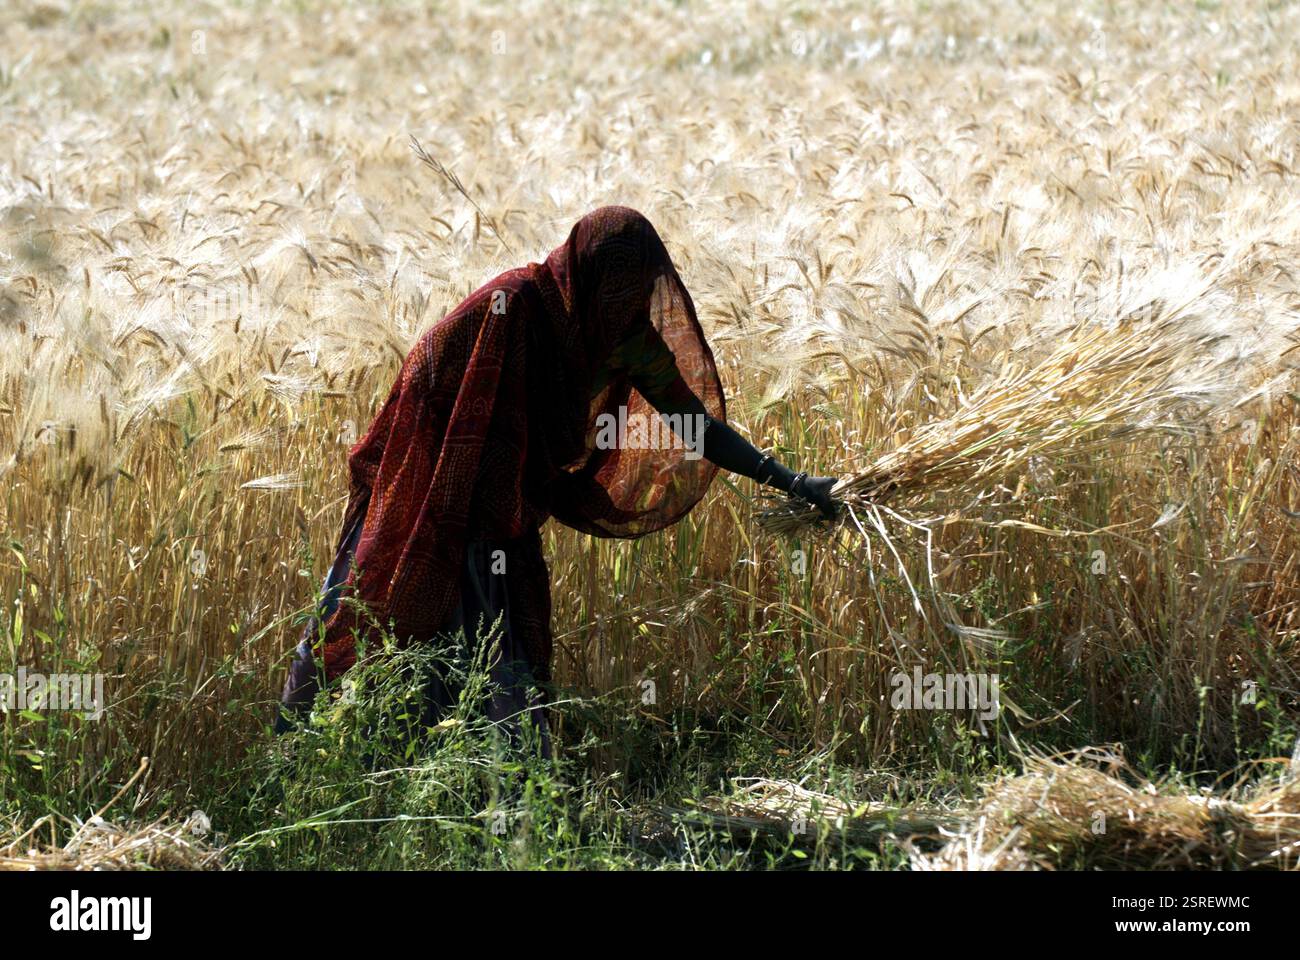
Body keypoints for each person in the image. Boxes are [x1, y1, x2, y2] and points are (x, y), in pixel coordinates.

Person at [276, 206, 837, 754]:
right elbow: (429, 374)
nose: (620, 305)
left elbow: (696, 424)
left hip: (504, 516)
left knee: (500, 653)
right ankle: (308, 758)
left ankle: (491, 788)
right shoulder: (514, 306)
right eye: (611, 289)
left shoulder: (627, 337)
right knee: (379, 612)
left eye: (634, 290)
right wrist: (450, 482)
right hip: (426, 491)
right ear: (583, 274)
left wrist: (787, 479)